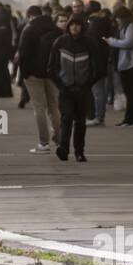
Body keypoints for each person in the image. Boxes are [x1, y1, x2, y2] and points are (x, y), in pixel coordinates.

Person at [49, 13, 100, 162]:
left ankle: (79, 152)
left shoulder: (89, 43)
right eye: (72, 24)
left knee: (80, 121)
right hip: (65, 89)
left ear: (82, 26)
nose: (75, 27)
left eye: (77, 24)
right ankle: (64, 149)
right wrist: (60, 85)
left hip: (83, 90)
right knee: (66, 118)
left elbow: (97, 67)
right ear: (68, 26)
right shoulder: (60, 42)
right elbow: (52, 67)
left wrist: (88, 83)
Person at [18, 5, 60, 152]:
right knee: (54, 107)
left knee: (39, 108)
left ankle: (44, 143)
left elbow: (23, 55)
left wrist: (24, 74)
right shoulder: (54, 29)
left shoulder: (29, 29)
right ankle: (60, 140)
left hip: (33, 75)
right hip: (50, 74)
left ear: (30, 16)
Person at [106, 6, 133, 127]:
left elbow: (129, 42)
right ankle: (128, 119)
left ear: (123, 17)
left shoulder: (132, 26)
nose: (117, 20)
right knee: (130, 93)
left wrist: (112, 41)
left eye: (118, 18)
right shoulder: (127, 26)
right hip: (127, 63)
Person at [85, 1, 112, 126]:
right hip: (102, 59)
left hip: (96, 61)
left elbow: (93, 43)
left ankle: (99, 118)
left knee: (98, 90)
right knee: (100, 89)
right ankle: (99, 117)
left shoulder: (94, 23)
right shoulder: (104, 22)